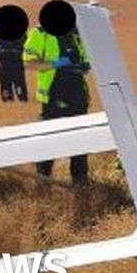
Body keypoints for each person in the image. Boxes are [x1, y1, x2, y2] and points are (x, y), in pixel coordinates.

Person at [23, 23, 92, 184]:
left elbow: (85, 58)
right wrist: (55, 64)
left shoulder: (76, 33)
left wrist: (84, 66)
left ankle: (81, 183)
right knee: (49, 140)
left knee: (80, 139)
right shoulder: (40, 33)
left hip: (77, 95)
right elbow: (28, 63)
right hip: (53, 96)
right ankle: (42, 182)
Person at [0, 35, 28, 102]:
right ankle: (8, 105)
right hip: (6, 68)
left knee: (19, 89)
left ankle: (21, 101)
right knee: (6, 89)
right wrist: (13, 52)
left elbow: (25, 50)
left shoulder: (22, 39)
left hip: (15, 68)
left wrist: (8, 52)